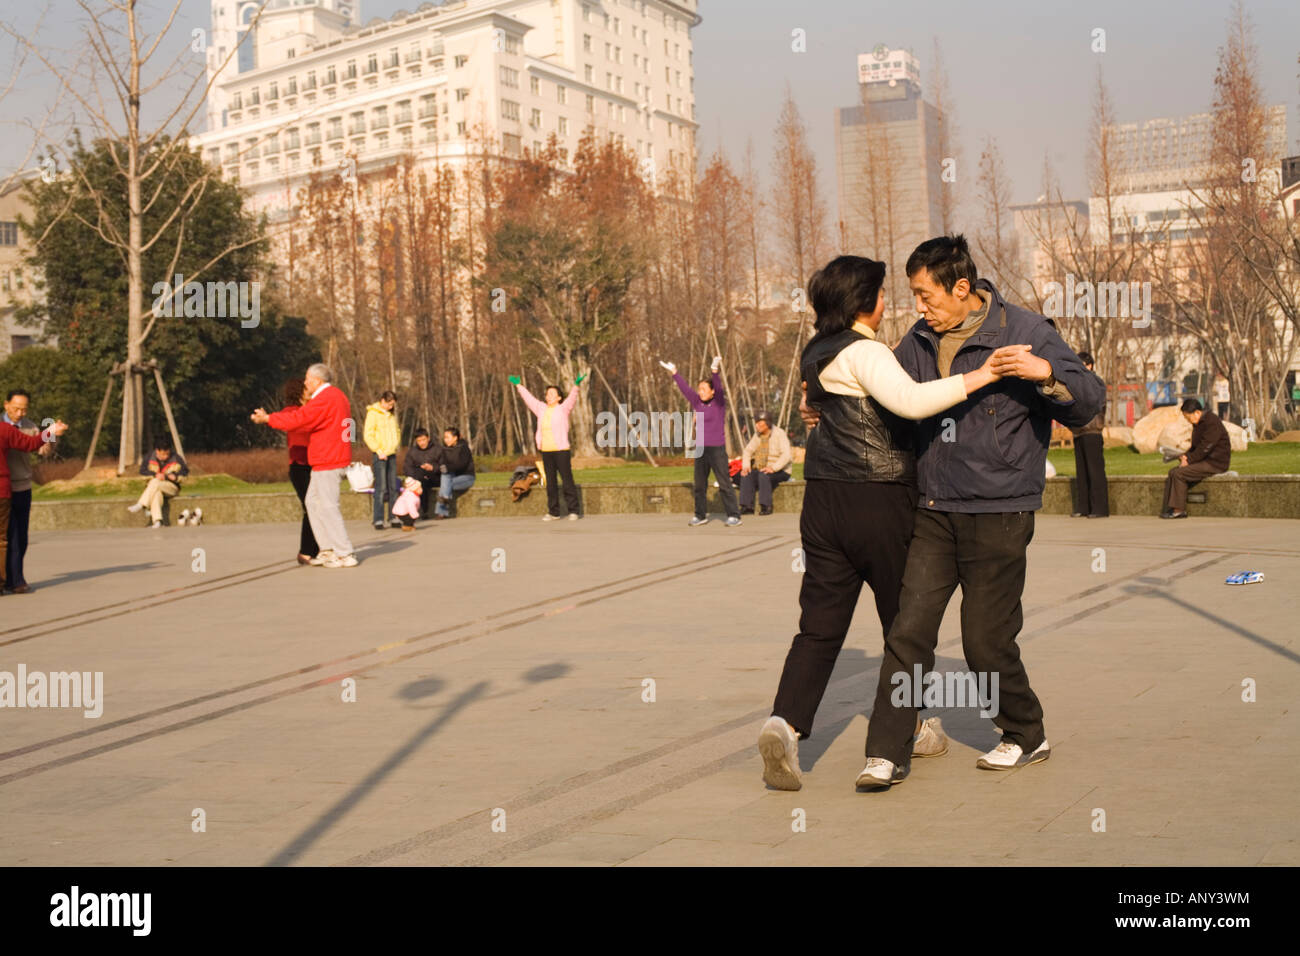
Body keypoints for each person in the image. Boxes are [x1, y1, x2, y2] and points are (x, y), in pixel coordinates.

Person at [810, 237, 1103, 788]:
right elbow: (889, 399)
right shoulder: (917, 341)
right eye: (914, 294)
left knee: (985, 642)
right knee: (908, 631)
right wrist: (832, 407)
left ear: (961, 287)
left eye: (926, 294)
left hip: (1000, 510)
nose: (919, 306)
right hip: (934, 508)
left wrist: (1044, 373)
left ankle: (1025, 732)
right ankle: (886, 752)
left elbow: (1089, 401)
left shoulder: (1026, 331)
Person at [757, 255, 1005, 791]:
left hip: (823, 503)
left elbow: (831, 411)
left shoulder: (816, 351)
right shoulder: (864, 349)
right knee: (905, 625)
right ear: (864, 301)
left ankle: (784, 723)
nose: (891, 302)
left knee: (819, 627)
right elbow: (912, 402)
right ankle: (913, 727)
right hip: (879, 500)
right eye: (883, 293)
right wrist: (981, 374)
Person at [251, 363, 358, 568]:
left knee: (327, 506)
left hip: (328, 459)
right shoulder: (338, 396)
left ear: (317, 381)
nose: (305, 382)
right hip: (325, 459)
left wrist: (268, 418)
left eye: (308, 379)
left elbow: (300, 419)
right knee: (313, 503)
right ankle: (326, 550)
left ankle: (344, 552)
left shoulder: (324, 399)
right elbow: (346, 426)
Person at [662, 355, 740, 526]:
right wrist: (675, 372)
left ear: (712, 391)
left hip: (717, 449)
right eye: (700, 389)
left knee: (724, 483)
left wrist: (714, 371)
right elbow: (685, 389)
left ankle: (734, 515)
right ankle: (700, 515)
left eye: (704, 389)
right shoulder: (697, 402)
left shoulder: (719, 403)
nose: (701, 392)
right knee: (699, 485)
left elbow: (719, 387)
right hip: (701, 449)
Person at [2, 396, 62, 592]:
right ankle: (13, 580)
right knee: (7, 538)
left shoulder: (29, 426)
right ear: (6, 404)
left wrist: (52, 436)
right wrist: (48, 432)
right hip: (4, 489)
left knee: (21, 537)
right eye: (17, 408)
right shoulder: (4, 428)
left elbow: (41, 448)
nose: (20, 413)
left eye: (24, 409)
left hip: (22, 486)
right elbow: (30, 444)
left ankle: (14, 578)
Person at [512, 374, 584, 521]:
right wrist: (519, 386)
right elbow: (529, 399)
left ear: (559, 397)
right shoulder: (541, 409)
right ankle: (554, 512)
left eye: (552, 393)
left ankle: (574, 511)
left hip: (561, 451)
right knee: (550, 482)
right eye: (547, 394)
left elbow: (572, 399)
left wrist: (576, 386)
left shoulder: (563, 408)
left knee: (567, 480)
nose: (548, 396)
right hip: (546, 451)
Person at [1161, 398, 1231, 519]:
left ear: (1197, 412)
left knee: (1179, 474)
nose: (1188, 421)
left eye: (1188, 417)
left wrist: (1189, 460)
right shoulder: (1198, 424)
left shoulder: (1211, 421)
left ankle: (1179, 510)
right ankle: (1169, 508)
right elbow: (1195, 447)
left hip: (1215, 463)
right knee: (1172, 472)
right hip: (1204, 460)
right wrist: (1185, 456)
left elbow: (1206, 447)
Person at [279, 378, 319, 565]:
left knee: (316, 506)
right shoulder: (292, 412)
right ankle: (306, 551)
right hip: (299, 466)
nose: (309, 391)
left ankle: (316, 549)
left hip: (314, 464)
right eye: (306, 389)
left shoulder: (309, 409)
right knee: (310, 506)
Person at [1070, 351, 1109, 518]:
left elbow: (1095, 403)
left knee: (1095, 471)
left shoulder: (1095, 382)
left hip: (1092, 430)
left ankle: (1100, 509)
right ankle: (1083, 507)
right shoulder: (1076, 382)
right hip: (1079, 431)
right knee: (1082, 471)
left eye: (1082, 364)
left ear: (1090, 365)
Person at [738, 411, 793, 515]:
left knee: (764, 475)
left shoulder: (779, 434)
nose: (757, 426)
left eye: (760, 423)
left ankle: (766, 506)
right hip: (762, 468)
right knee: (747, 475)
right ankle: (747, 507)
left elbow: (786, 455)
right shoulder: (757, 435)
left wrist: (773, 468)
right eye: (756, 423)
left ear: (767, 423)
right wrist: (746, 466)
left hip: (781, 470)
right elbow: (747, 451)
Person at [364, 390, 402, 530]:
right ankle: (378, 519)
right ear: (382, 400)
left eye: (392, 405)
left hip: (391, 454)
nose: (390, 407)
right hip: (380, 455)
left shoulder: (391, 416)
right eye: (388, 403)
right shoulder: (373, 414)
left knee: (393, 487)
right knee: (381, 488)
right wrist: (378, 450)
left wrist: (395, 444)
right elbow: (368, 434)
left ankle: (393, 516)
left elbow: (396, 431)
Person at [127, 440, 189, 528]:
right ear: (157, 451)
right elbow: (143, 472)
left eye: (167, 454)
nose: (165, 456)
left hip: (171, 487)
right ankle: (157, 521)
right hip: (154, 487)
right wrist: (155, 475)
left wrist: (173, 477)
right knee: (156, 492)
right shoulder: (149, 458)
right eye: (162, 454)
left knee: (155, 483)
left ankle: (142, 504)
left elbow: (185, 472)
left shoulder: (176, 458)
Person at [433, 426, 475, 519]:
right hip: (450, 477)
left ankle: (441, 512)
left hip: (466, 477)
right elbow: (441, 463)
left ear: (455, 438)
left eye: (448, 437)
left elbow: (461, 465)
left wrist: (446, 468)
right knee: (445, 477)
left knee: (444, 484)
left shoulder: (464, 448)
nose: (445, 440)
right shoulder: (444, 449)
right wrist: (442, 468)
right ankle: (446, 498)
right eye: (445, 437)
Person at [405, 427, 441, 519]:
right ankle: (422, 512)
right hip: (419, 478)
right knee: (420, 481)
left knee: (423, 480)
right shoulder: (412, 451)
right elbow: (407, 467)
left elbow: (444, 466)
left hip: (436, 477)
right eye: (419, 441)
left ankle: (423, 511)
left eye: (424, 440)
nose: (422, 443)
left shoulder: (437, 449)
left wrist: (432, 468)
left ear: (428, 438)